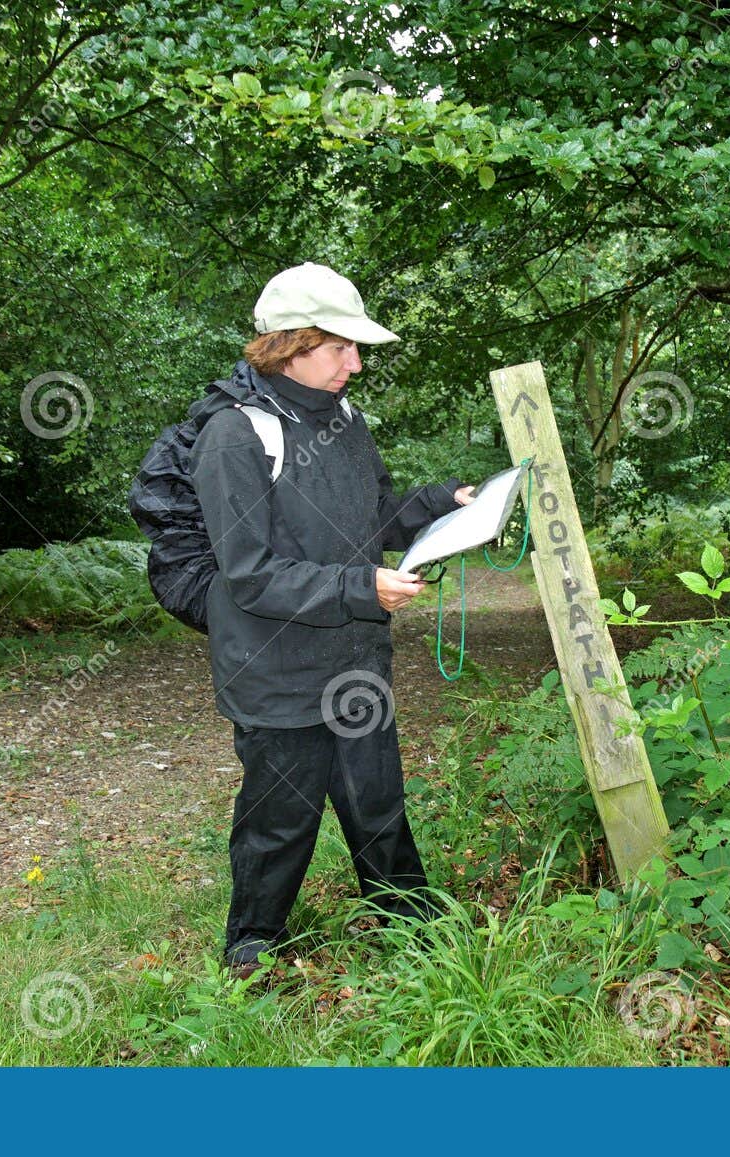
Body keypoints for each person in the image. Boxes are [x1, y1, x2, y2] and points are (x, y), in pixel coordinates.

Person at [188, 262, 476, 980]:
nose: (356, 362)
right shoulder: (233, 436)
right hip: (275, 672)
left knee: (375, 796)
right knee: (279, 819)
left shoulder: (347, 423)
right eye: (340, 346)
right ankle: (252, 944)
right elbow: (249, 573)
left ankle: (412, 924)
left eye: (356, 347)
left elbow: (372, 523)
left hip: (354, 658)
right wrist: (361, 587)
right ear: (289, 345)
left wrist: (444, 502)